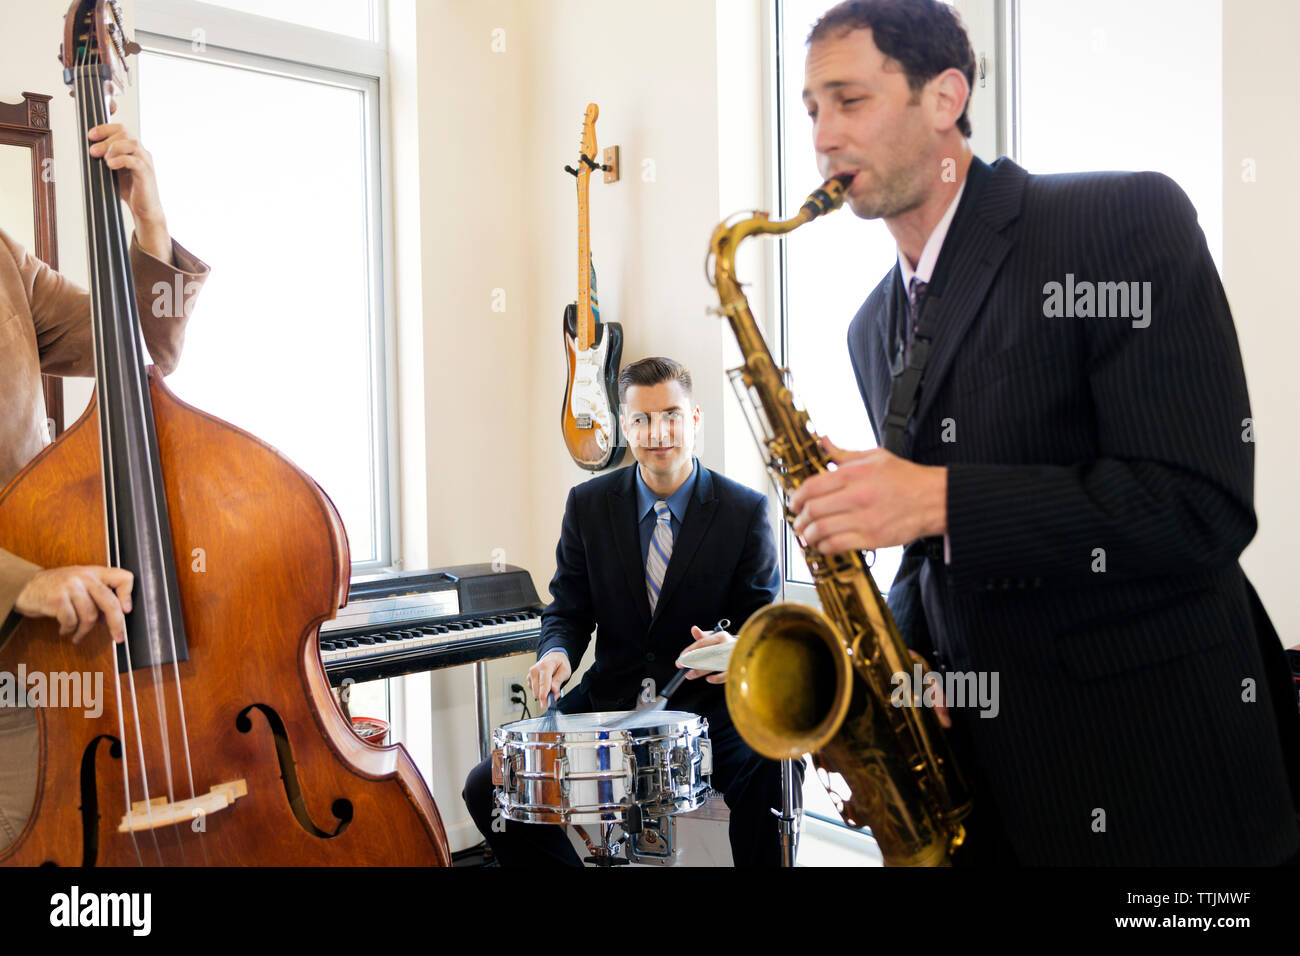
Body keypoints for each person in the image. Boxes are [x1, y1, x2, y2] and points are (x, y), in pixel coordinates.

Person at [786, 0, 1300, 865]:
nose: (823, 137)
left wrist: (938, 498)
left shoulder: (1119, 222)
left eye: (849, 101)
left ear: (945, 96)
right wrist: (897, 653)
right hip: (993, 806)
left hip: (1165, 801)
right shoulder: (870, 326)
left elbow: (1200, 506)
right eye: (810, 110)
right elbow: (930, 554)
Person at [463, 357, 802, 866]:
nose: (657, 431)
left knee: (777, 767)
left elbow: (763, 624)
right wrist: (556, 651)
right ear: (624, 425)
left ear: (694, 419)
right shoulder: (587, 504)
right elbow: (569, 609)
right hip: (613, 697)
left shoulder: (746, 510)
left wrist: (741, 650)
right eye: (641, 419)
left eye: (671, 415)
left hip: (712, 708)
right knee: (487, 786)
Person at [0, 118, 208, 853]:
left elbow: (141, 345)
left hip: (40, 662)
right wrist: (22, 583)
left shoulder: (4, 264)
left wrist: (149, 221)